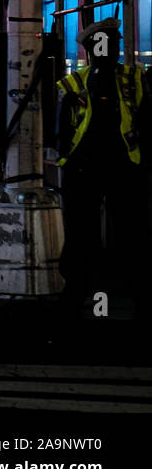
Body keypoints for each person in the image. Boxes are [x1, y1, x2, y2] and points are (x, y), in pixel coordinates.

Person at [56, 17, 150, 309]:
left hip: (116, 163)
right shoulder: (76, 82)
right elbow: (61, 126)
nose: (109, 50)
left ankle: (119, 288)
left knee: (126, 230)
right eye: (105, 44)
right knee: (89, 231)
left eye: (112, 44)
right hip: (92, 164)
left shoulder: (133, 78)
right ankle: (88, 287)